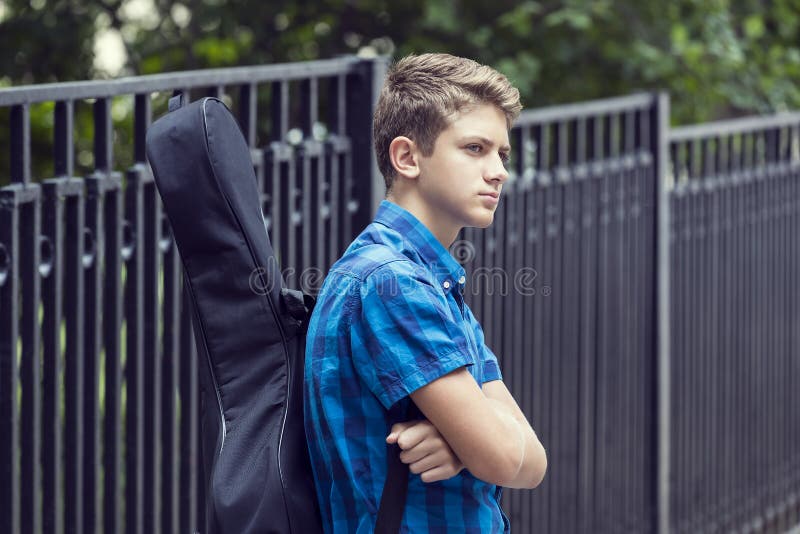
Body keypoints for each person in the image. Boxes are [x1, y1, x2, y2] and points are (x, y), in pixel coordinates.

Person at [303, 53, 547, 533]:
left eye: (502, 153)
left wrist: (463, 445)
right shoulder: (392, 284)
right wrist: (478, 443)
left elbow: (533, 461)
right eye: (475, 148)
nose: (498, 170)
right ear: (407, 157)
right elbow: (503, 457)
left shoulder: (432, 279)